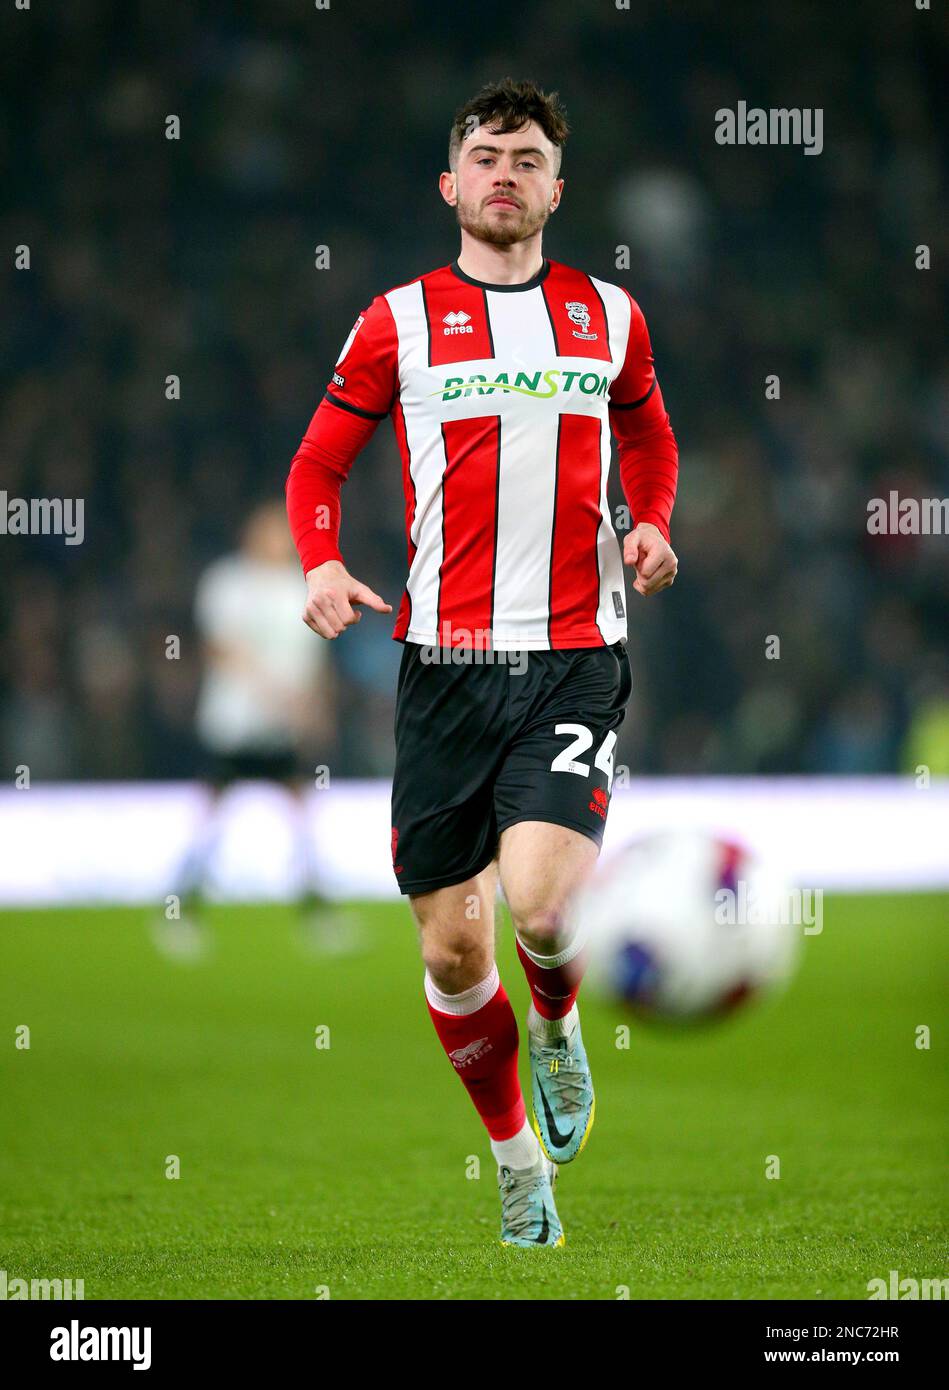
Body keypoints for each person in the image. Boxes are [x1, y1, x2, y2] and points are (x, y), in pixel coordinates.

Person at [286, 78, 679, 1246]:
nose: (506, 173)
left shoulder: (610, 316)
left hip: (572, 655)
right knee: (456, 945)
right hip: (444, 667)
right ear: (449, 184)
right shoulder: (395, 320)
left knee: (547, 909)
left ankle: (555, 1020)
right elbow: (317, 468)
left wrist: (649, 520)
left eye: (527, 158)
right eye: (485, 156)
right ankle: (516, 1162)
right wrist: (316, 562)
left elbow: (648, 431)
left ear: (559, 189)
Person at [171, 500, 338, 931]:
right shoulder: (227, 582)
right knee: (213, 809)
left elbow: (311, 657)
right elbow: (218, 647)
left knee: (300, 808)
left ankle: (315, 908)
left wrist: (310, 706)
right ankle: (181, 901)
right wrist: (269, 689)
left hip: (281, 727)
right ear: (251, 536)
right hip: (234, 723)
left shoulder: (298, 586)